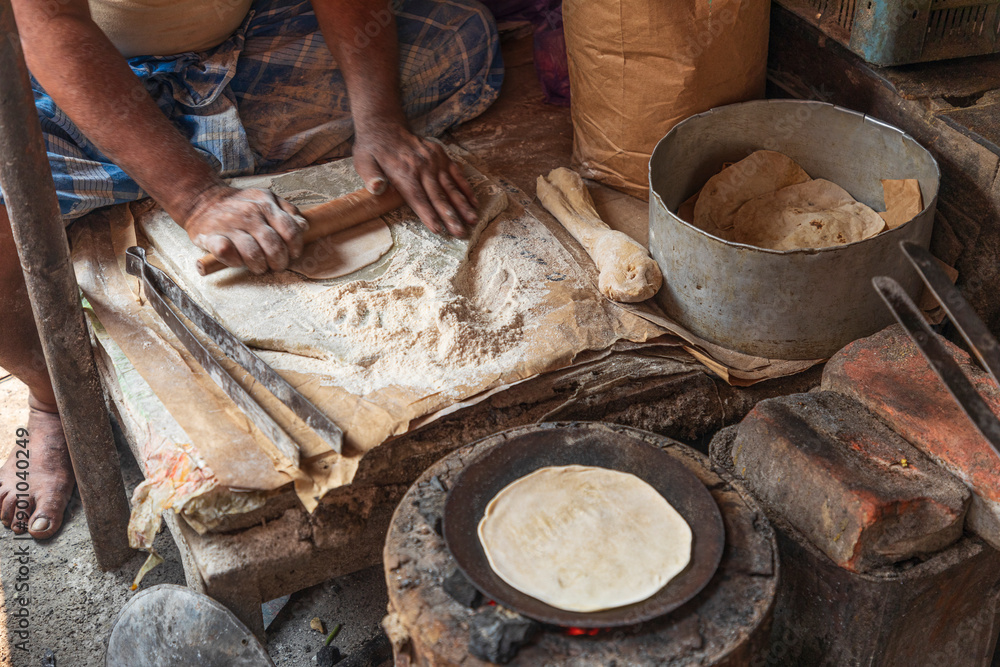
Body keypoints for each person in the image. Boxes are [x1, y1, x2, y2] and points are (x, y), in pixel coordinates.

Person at [0, 0, 503, 539]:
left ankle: (143, 159)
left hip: (243, 46)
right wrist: (194, 197)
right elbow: (53, 28)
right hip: (61, 75)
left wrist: (380, 121)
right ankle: (52, 398)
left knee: (459, 36)